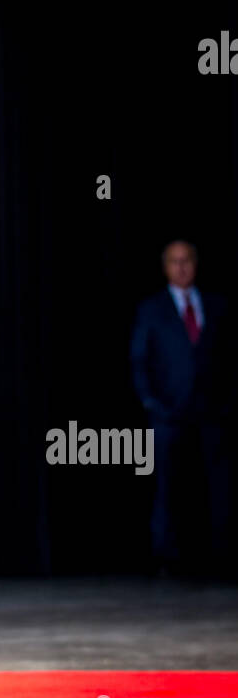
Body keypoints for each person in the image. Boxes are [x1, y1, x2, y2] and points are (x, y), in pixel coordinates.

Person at [130, 241, 234, 580]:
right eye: (175, 261)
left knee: (219, 487)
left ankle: (220, 554)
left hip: (211, 412)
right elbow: (140, 360)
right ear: (165, 268)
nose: (181, 267)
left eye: (186, 260)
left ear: (196, 264)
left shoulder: (218, 306)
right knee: (167, 487)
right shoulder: (152, 309)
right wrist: (152, 403)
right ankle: (168, 557)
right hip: (168, 414)